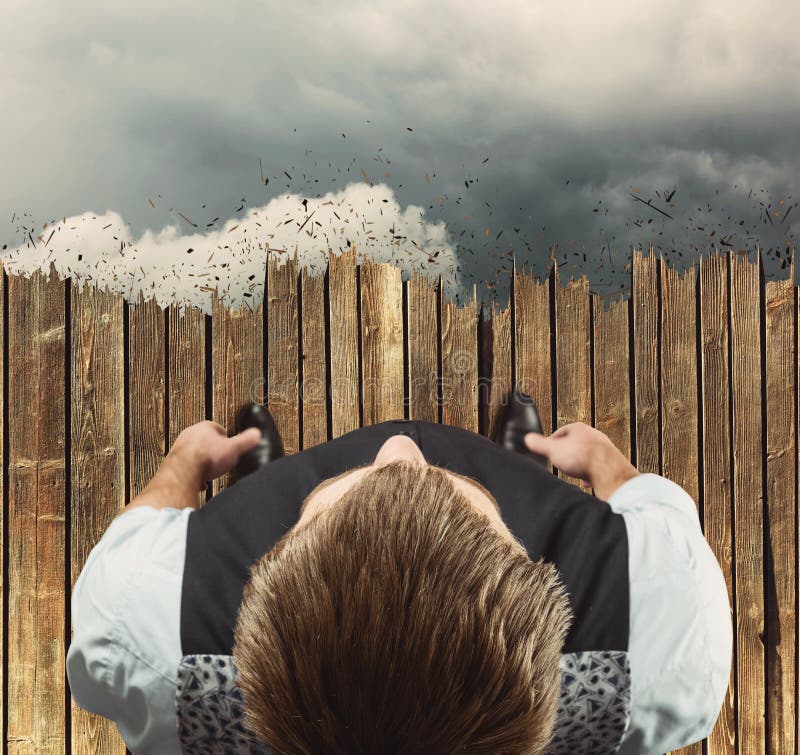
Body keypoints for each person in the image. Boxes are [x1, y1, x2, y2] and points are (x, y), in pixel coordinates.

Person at [66, 392, 731, 754]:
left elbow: (139, 535)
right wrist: (603, 460)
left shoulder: (133, 620)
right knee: (516, 487)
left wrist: (186, 463)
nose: (400, 443)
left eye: (301, 522)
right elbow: (658, 514)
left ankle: (263, 477)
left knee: (261, 500)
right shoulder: (678, 630)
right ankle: (518, 468)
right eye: (492, 521)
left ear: (269, 561)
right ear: (531, 570)